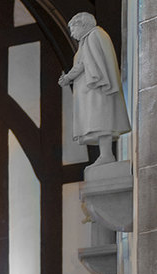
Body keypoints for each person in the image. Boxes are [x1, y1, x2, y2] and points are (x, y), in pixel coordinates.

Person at [58, 12, 130, 165]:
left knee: (101, 121)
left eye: (73, 29)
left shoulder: (93, 35)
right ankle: (105, 154)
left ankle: (106, 155)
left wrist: (68, 77)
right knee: (99, 121)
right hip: (93, 89)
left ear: (83, 25)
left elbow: (86, 63)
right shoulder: (91, 38)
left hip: (97, 88)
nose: (72, 34)